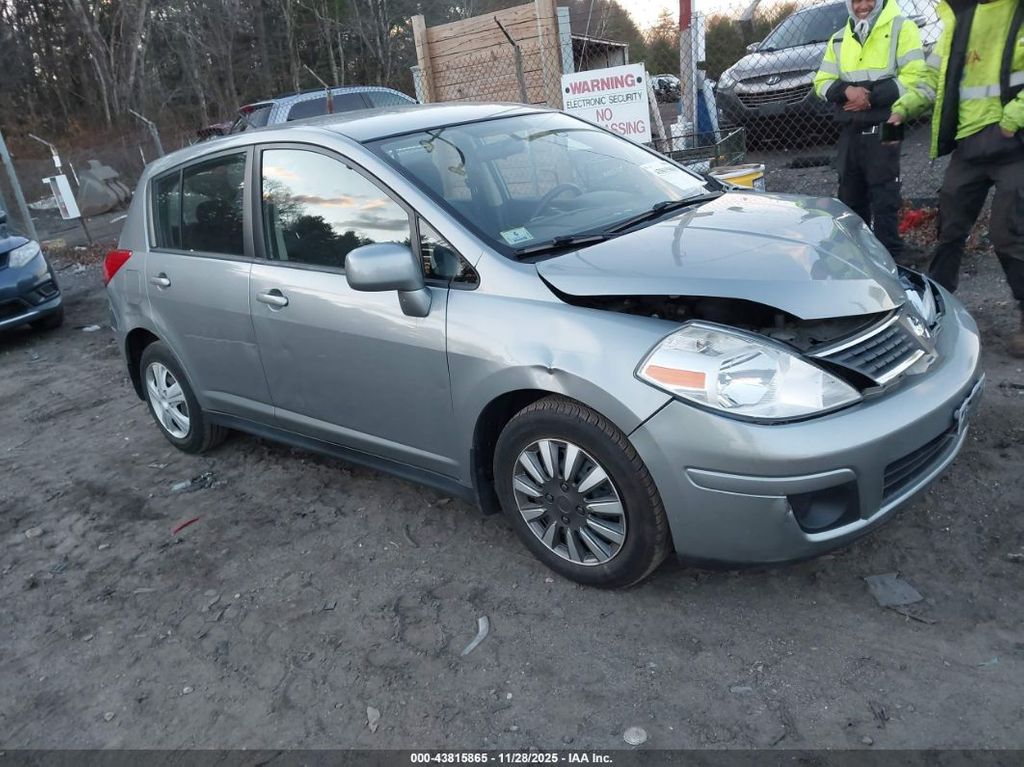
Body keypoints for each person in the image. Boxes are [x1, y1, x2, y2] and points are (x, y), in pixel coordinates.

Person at [888, 0, 1024, 357]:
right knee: (949, 229)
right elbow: (931, 82)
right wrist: (903, 108)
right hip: (969, 146)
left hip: (1014, 143)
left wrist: (1012, 119)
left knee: (1008, 234)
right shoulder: (956, 22)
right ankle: (936, 313)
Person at [813, 0, 933, 259]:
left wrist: (871, 97)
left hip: (889, 121)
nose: (862, 5)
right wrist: (845, 90)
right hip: (850, 128)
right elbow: (821, 82)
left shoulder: (903, 28)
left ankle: (890, 249)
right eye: (856, 0)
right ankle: (858, 251)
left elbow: (915, 77)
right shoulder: (838, 38)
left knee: (886, 188)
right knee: (849, 189)